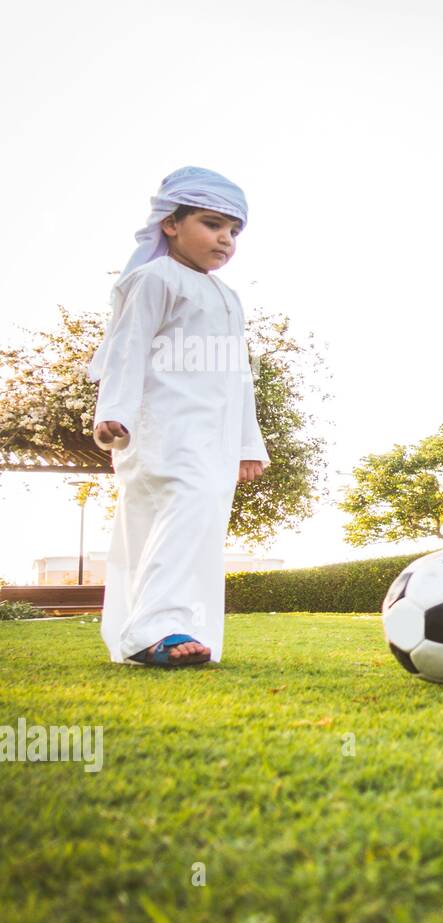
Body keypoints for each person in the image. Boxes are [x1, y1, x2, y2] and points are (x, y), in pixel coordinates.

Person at [88, 167, 270, 667]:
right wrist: (114, 412)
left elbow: (238, 378)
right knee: (177, 521)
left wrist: (247, 444)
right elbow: (127, 349)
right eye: (213, 224)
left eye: (233, 231)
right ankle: (153, 629)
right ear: (171, 223)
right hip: (161, 433)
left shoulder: (228, 296)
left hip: (212, 442)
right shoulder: (152, 279)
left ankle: (164, 631)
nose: (226, 239)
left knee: (190, 531)